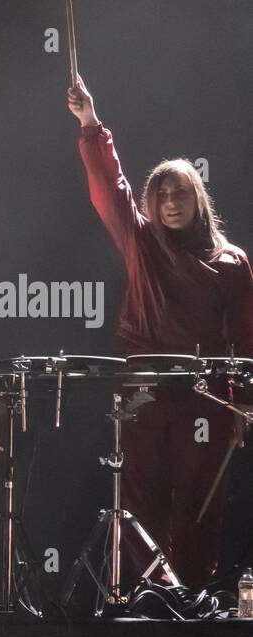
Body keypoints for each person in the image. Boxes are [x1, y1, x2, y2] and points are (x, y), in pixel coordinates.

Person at [68, 74, 253, 587]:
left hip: (206, 396)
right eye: (162, 193)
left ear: (198, 199)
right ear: (151, 201)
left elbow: (245, 341)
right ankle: (144, 597)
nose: (171, 201)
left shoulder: (232, 262)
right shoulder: (141, 242)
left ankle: (191, 599)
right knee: (139, 499)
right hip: (144, 388)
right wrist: (91, 125)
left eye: (181, 193)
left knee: (199, 502)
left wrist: (242, 403)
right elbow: (110, 188)